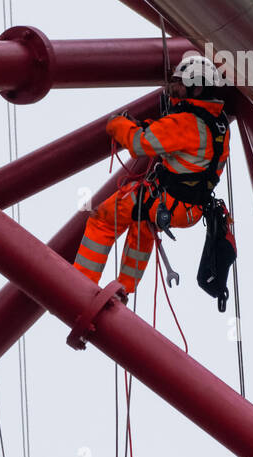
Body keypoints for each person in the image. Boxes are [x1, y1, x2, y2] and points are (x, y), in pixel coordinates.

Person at [73, 55, 231, 294]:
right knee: (143, 228)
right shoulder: (218, 123)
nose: (173, 90)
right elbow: (174, 139)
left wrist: (117, 124)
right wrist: (147, 125)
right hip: (191, 209)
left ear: (196, 87)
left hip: (168, 202)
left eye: (179, 83)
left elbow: (139, 143)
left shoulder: (186, 122)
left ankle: (79, 286)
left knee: (103, 220)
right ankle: (123, 290)